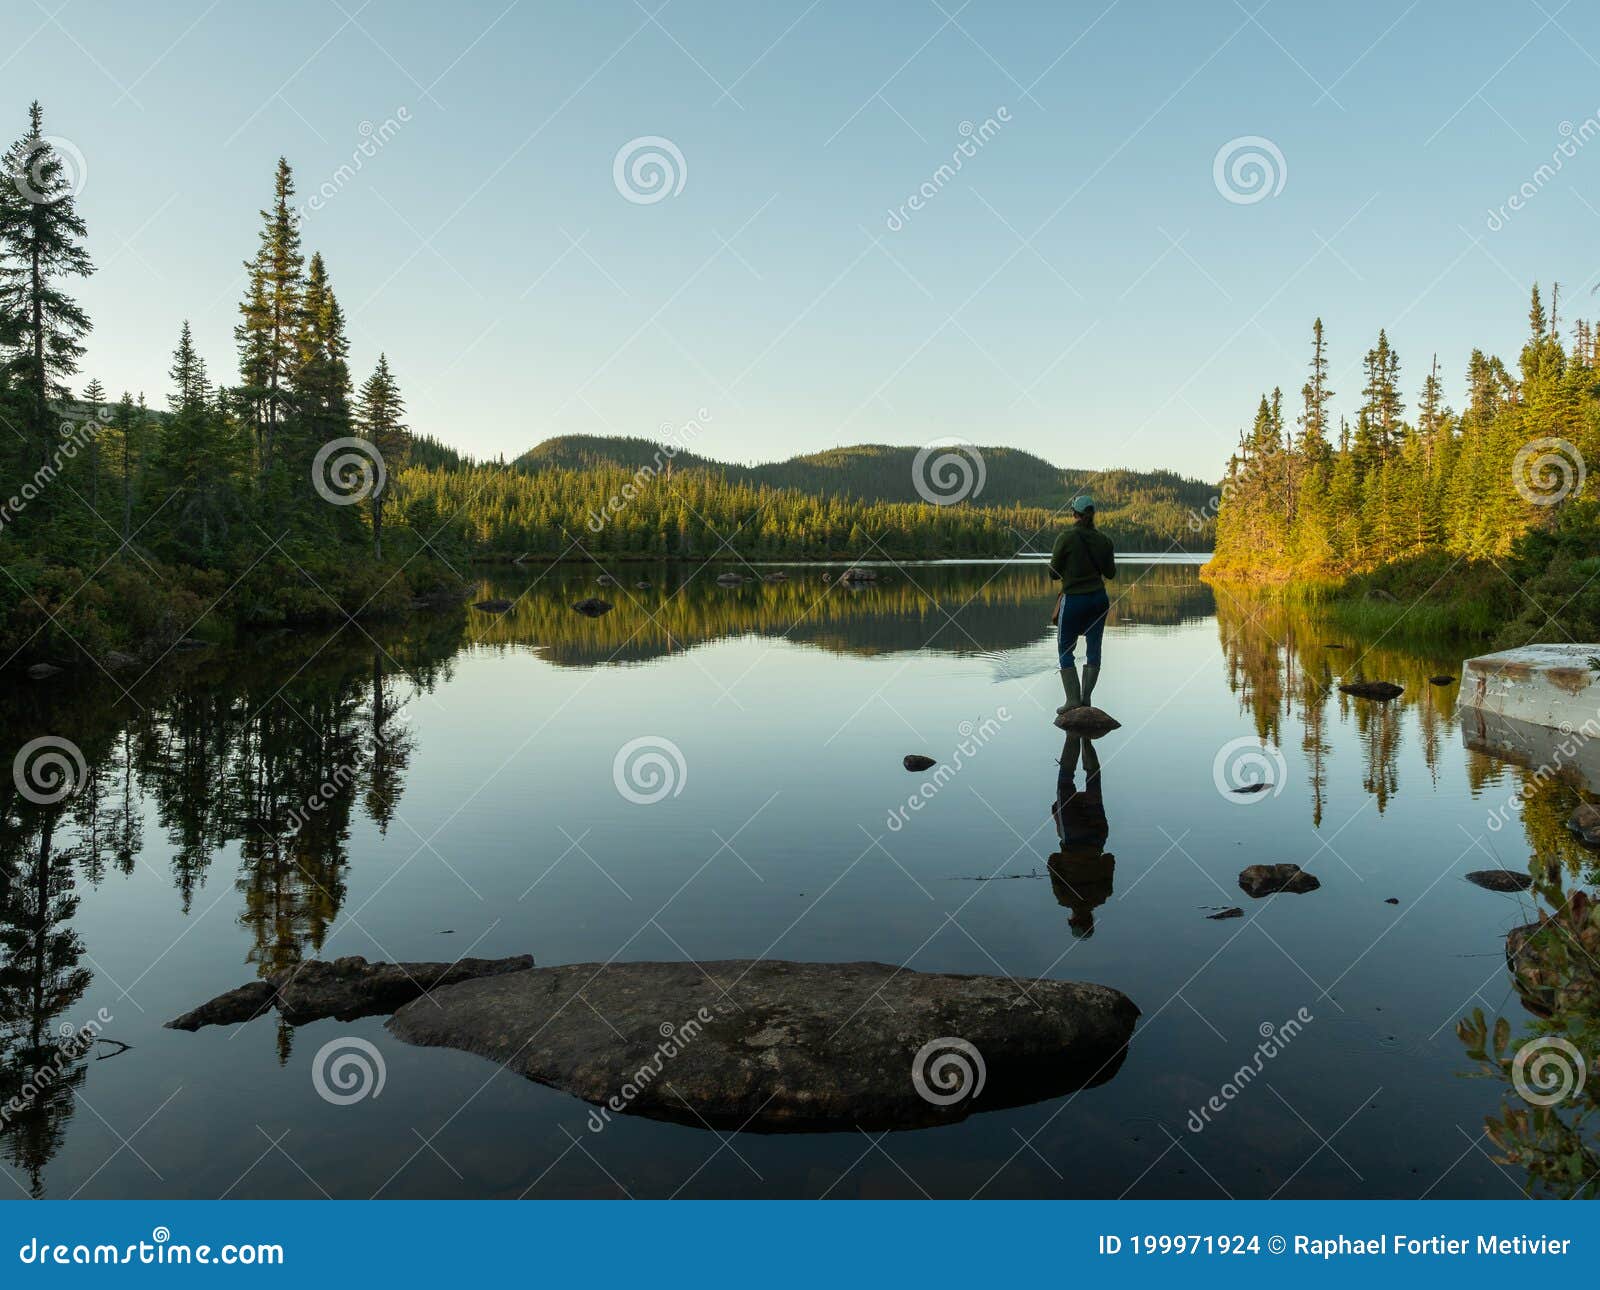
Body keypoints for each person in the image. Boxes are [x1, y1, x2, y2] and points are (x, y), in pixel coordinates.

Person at [1048, 494, 1115, 713]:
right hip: (1098, 599)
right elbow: (1111, 573)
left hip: (1074, 599)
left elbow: (1053, 574)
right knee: (1094, 648)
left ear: (1074, 514)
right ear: (1092, 514)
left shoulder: (1065, 538)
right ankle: (1086, 700)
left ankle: (1072, 701)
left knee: (1065, 648)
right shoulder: (1105, 541)